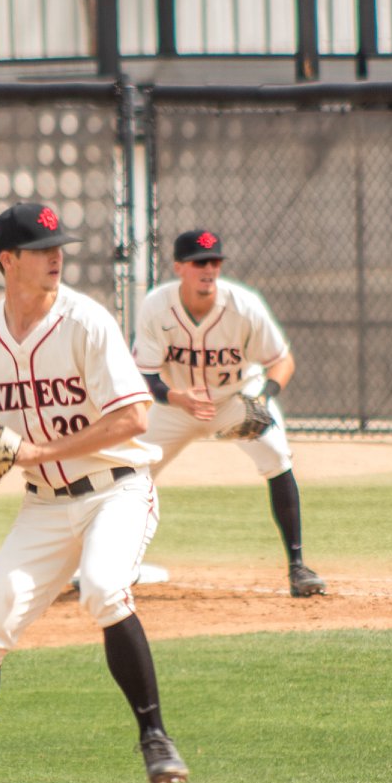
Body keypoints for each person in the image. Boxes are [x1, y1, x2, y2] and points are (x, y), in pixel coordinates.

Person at [0, 202, 186, 783]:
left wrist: (35, 450)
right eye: (41, 248)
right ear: (8, 260)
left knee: (103, 587)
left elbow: (135, 417)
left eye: (58, 245)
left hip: (117, 488)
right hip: (42, 508)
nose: (56, 255)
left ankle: (155, 737)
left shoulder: (86, 322)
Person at [132, 228, 327, 598]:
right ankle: (117, 563)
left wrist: (266, 397)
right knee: (130, 470)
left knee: (275, 456)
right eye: (199, 261)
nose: (209, 268)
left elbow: (281, 360)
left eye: (215, 261)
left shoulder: (244, 305)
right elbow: (145, 374)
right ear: (179, 267)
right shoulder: (157, 307)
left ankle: (298, 567)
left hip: (235, 399)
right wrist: (177, 397)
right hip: (176, 404)